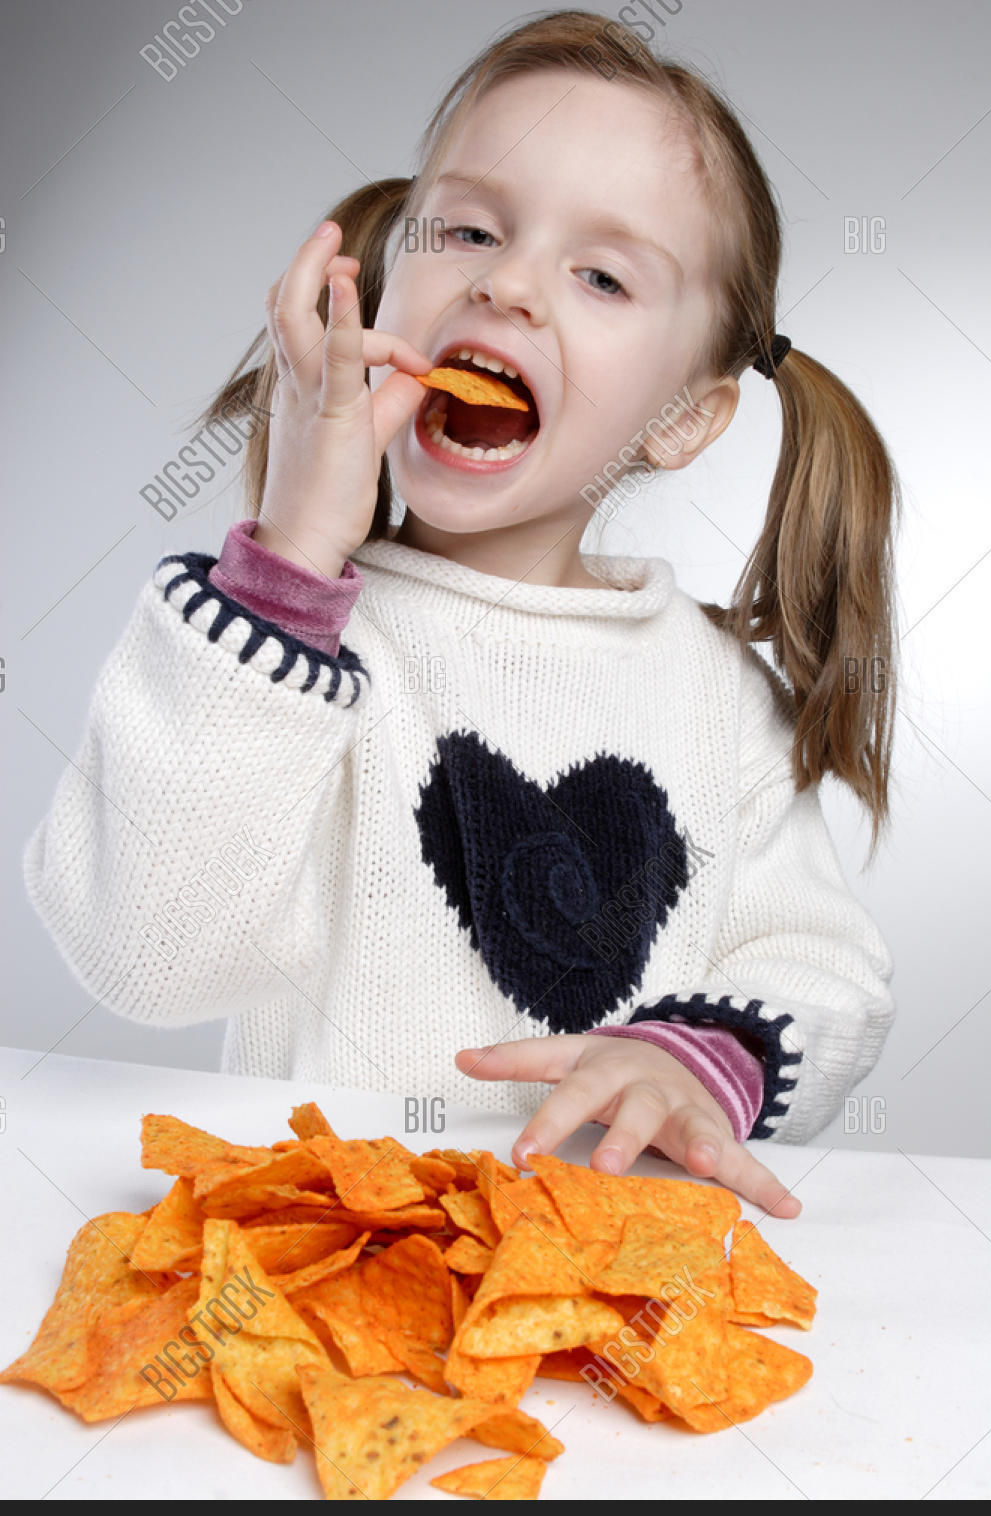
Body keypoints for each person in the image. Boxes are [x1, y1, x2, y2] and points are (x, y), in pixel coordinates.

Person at [24, 11, 899, 1217]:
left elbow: (823, 968)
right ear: (386, 285)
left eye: (600, 275)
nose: (506, 282)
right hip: (329, 1286)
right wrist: (290, 565)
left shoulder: (714, 695)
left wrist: (685, 1060)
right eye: (470, 230)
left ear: (681, 420)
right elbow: (145, 955)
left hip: (603, 1293)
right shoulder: (278, 649)